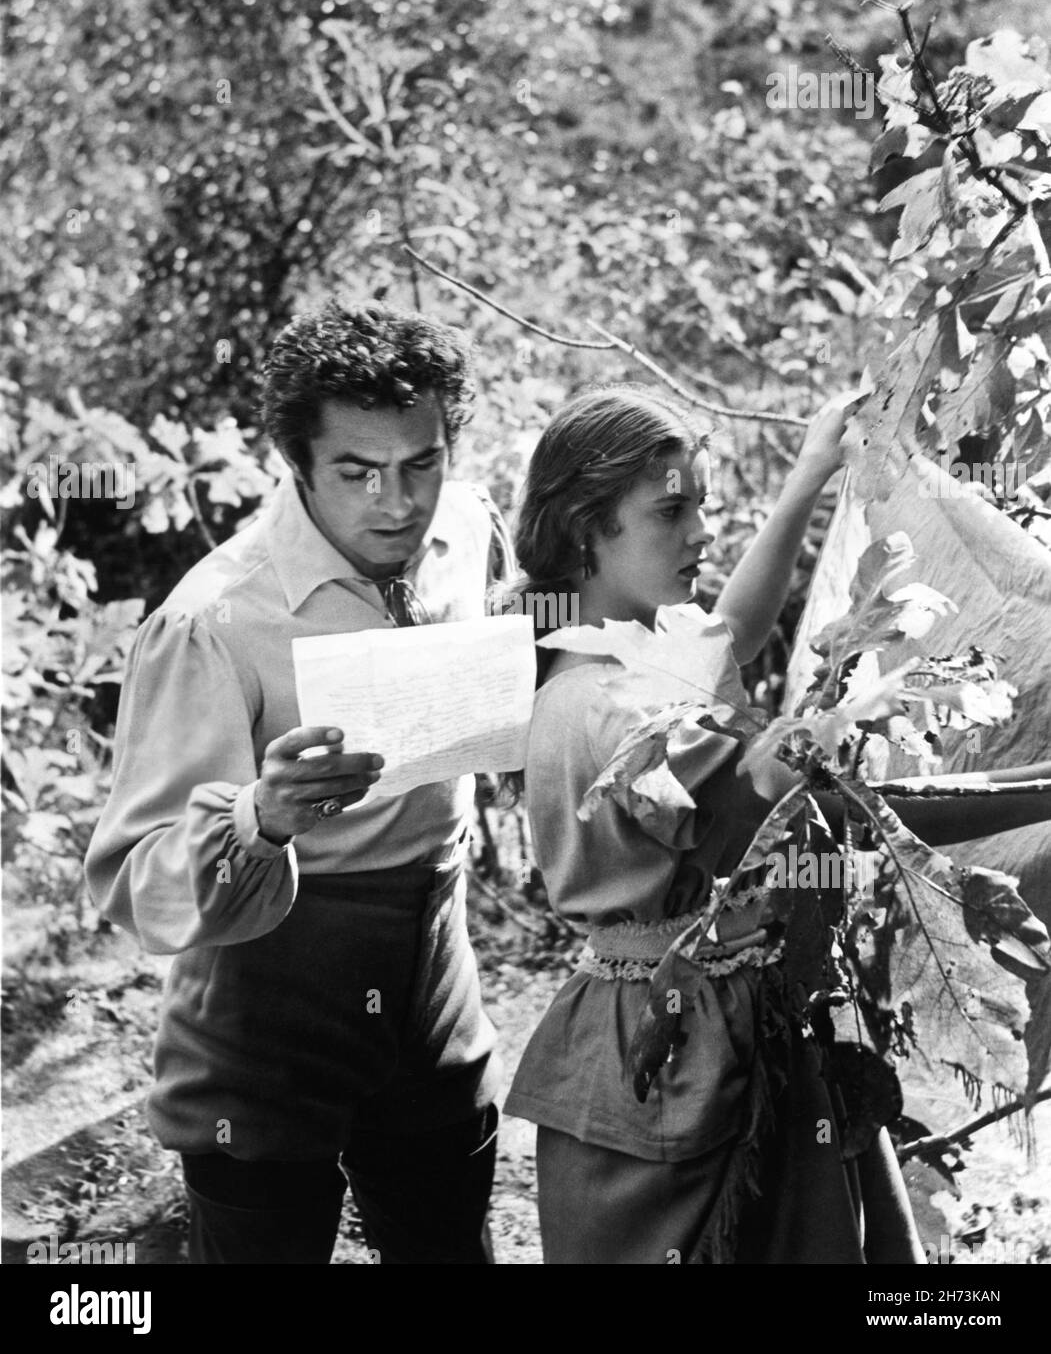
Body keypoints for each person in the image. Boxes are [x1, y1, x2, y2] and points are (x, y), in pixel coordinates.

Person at [500, 382, 1051, 1265]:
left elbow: (733, 631)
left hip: (686, 1011)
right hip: (687, 1038)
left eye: (704, 508)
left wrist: (806, 479)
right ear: (581, 529)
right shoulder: (619, 711)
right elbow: (836, 816)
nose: (700, 532)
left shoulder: (612, 654)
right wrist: (1038, 790)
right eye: (670, 511)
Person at [85, 298, 514, 1265]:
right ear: (296, 465)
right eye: (356, 474)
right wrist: (259, 815)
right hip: (263, 1017)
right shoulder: (215, 619)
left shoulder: (466, 532)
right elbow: (129, 878)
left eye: (421, 464)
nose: (397, 504)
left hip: (435, 987)